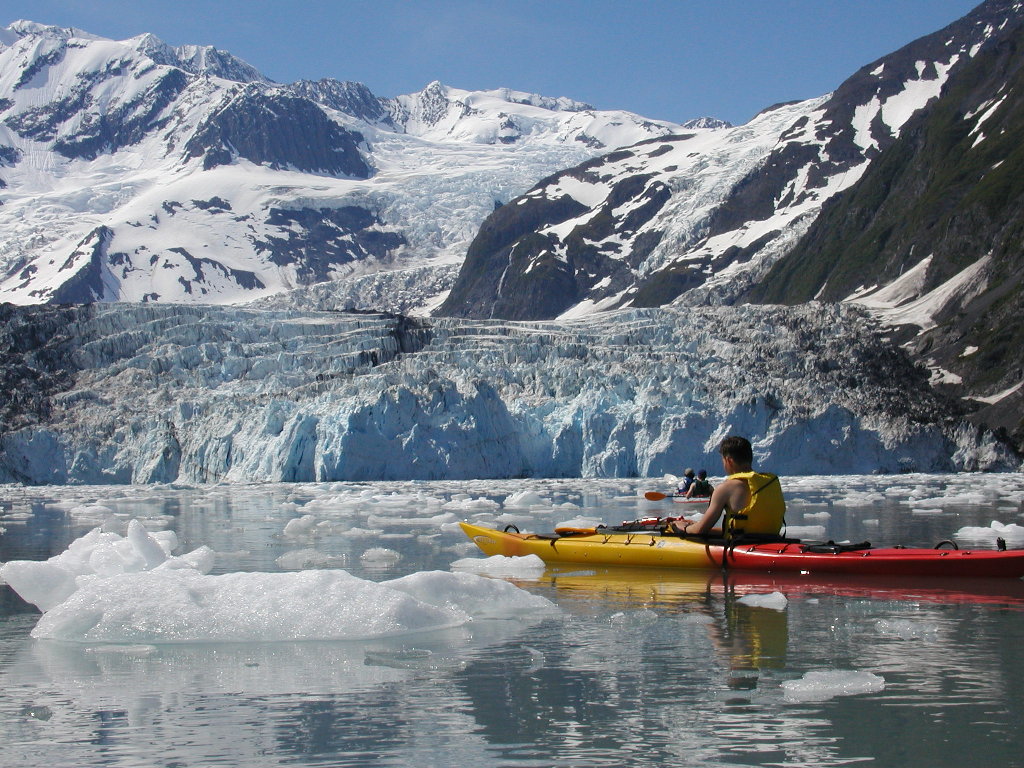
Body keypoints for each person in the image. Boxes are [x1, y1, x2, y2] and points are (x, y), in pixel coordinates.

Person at [668, 436, 785, 539]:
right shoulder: (769, 482)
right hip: (772, 540)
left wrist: (684, 527)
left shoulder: (726, 488)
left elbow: (700, 531)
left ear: (728, 461)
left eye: (723, 460)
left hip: (741, 546)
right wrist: (694, 523)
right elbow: (751, 531)